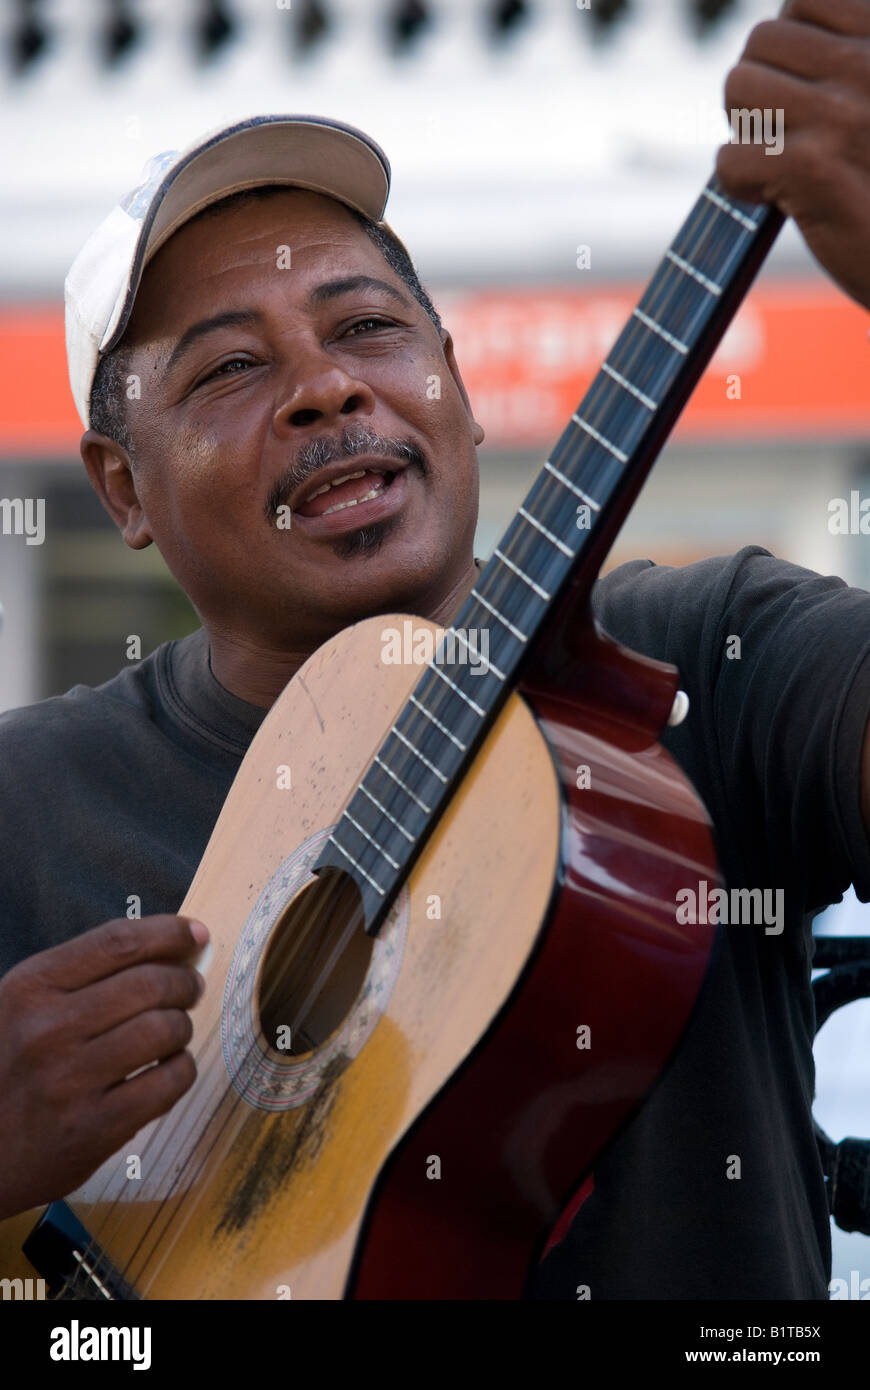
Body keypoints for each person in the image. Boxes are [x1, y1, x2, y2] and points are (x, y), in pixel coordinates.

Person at [1, 0, 870, 1299]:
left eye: (365, 329)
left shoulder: (706, 656)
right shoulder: (24, 804)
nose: (326, 387)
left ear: (455, 391)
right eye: (231, 368)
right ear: (122, 491)